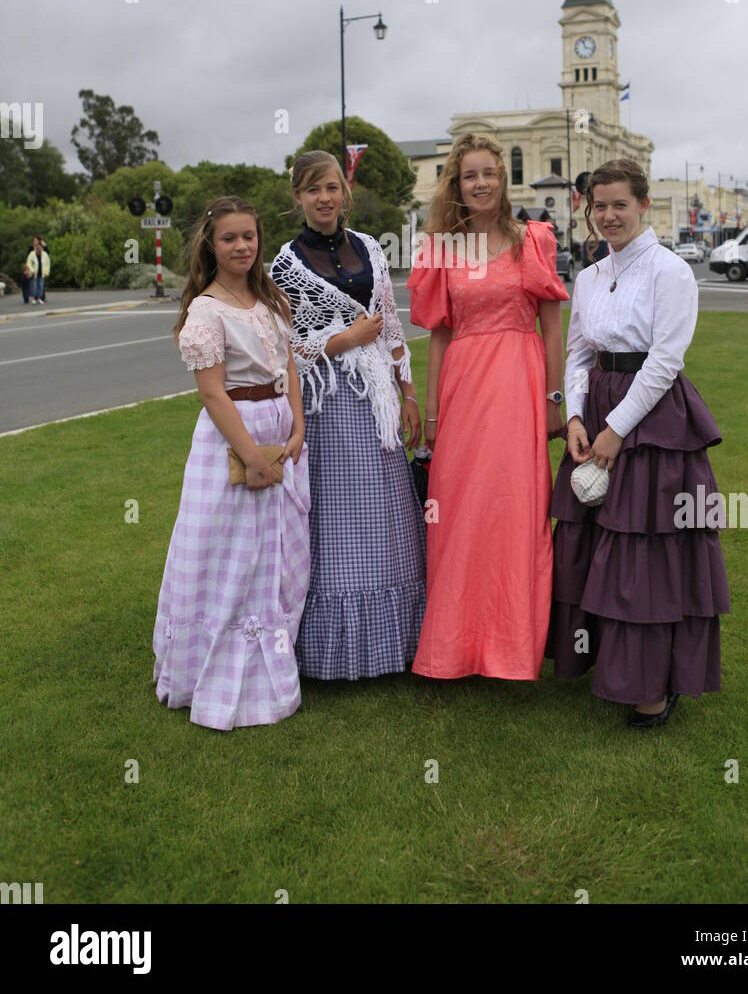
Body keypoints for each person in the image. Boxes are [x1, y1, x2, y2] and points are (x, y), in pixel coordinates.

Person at [547, 158, 730, 728]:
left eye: (619, 204)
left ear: (643, 205)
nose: (608, 215)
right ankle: (603, 659)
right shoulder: (589, 276)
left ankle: (654, 681)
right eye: (598, 206)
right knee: (590, 540)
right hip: (596, 411)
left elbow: (665, 361)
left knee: (647, 552)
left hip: (652, 421)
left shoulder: (671, 272)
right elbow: (578, 353)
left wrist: (616, 429)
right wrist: (576, 418)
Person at [407, 132, 569, 680]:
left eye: (489, 174)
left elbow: (552, 329)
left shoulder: (533, 240)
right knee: (457, 512)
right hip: (463, 389)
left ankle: (510, 649)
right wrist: (431, 413)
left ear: (503, 178)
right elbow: (439, 336)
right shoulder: (441, 249)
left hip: (520, 388)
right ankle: (455, 648)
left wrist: (555, 399)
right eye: (469, 175)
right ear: (457, 184)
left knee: (516, 509)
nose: (481, 184)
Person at [153, 195, 311, 731]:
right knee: (233, 552)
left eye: (249, 236)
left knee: (280, 549)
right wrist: (251, 456)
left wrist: (298, 423)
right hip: (235, 437)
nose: (242, 246)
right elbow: (214, 394)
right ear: (211, 246)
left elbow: (288, 364)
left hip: (279, 431)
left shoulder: (268, 296)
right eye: (229, 238)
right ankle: (221, 666)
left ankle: (279, 647)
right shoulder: (207, 310)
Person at [270, 151, 426, 680]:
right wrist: (342, 340)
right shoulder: (285, 265)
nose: (324, 198)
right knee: (337, 519)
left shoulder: (370, 251)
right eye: (313, 189)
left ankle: (392, 643)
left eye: (332, 187)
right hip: (327, 405)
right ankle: (332, 651)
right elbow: (284, 347)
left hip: (378, 400)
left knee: (386, 515)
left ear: (345, 192)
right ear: (298, 197)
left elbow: (391, 326)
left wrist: (408, 392)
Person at [25, 237, 50, 304]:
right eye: (37, 247)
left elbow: (47, 263)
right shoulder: (32, 254)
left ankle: (39, 298)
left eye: (40, 247)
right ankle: (33, 298)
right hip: (34, 272)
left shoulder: (44, 255)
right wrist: (31, 270)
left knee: (41, 286)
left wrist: (47, 272)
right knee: (33, 286)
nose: (38, 249)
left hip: (42, 272)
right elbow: (28, 262)